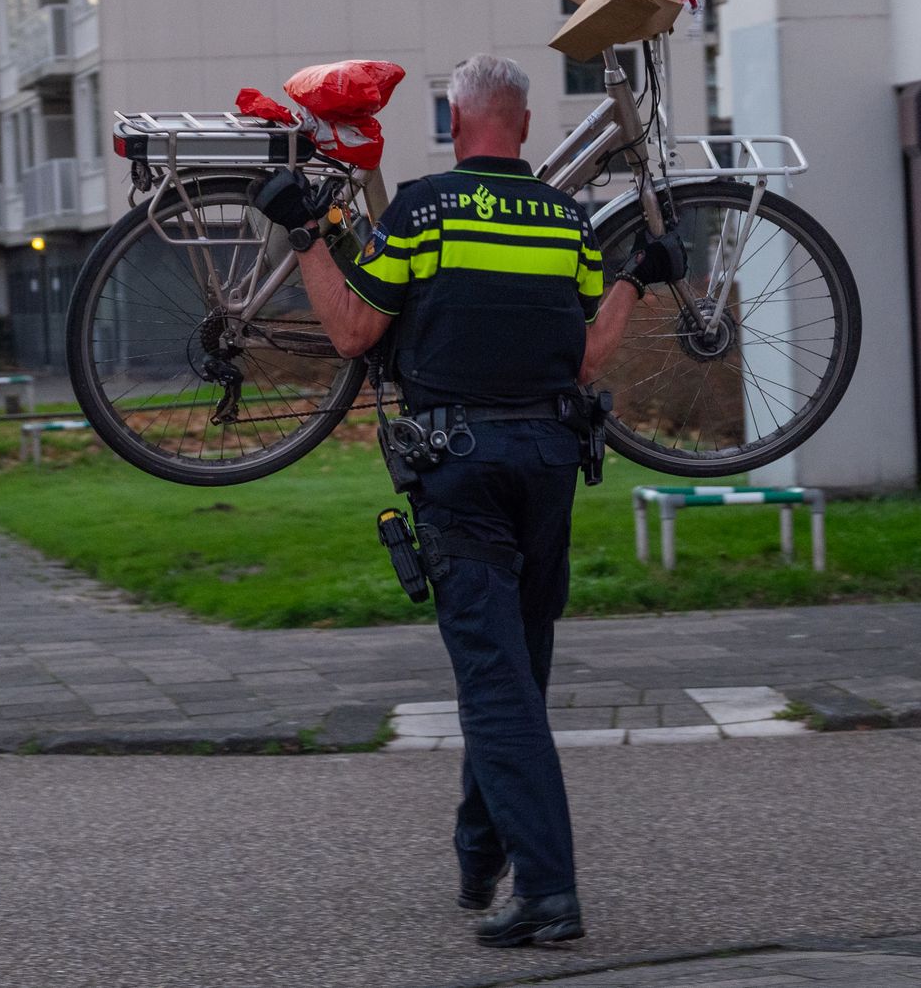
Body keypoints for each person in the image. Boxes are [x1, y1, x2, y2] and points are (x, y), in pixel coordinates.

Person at [254, 54, 685, 948]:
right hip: (549, 462)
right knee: (517, 673)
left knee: (493, 688)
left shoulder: (423, 209)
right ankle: (479, 850)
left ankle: (551, 894)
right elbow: (585, 359)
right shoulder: (565, 222)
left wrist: (304, 237)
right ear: (522, 127)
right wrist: (640, 275)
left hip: (462, 467)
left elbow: (352, 332)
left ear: (456, 122)